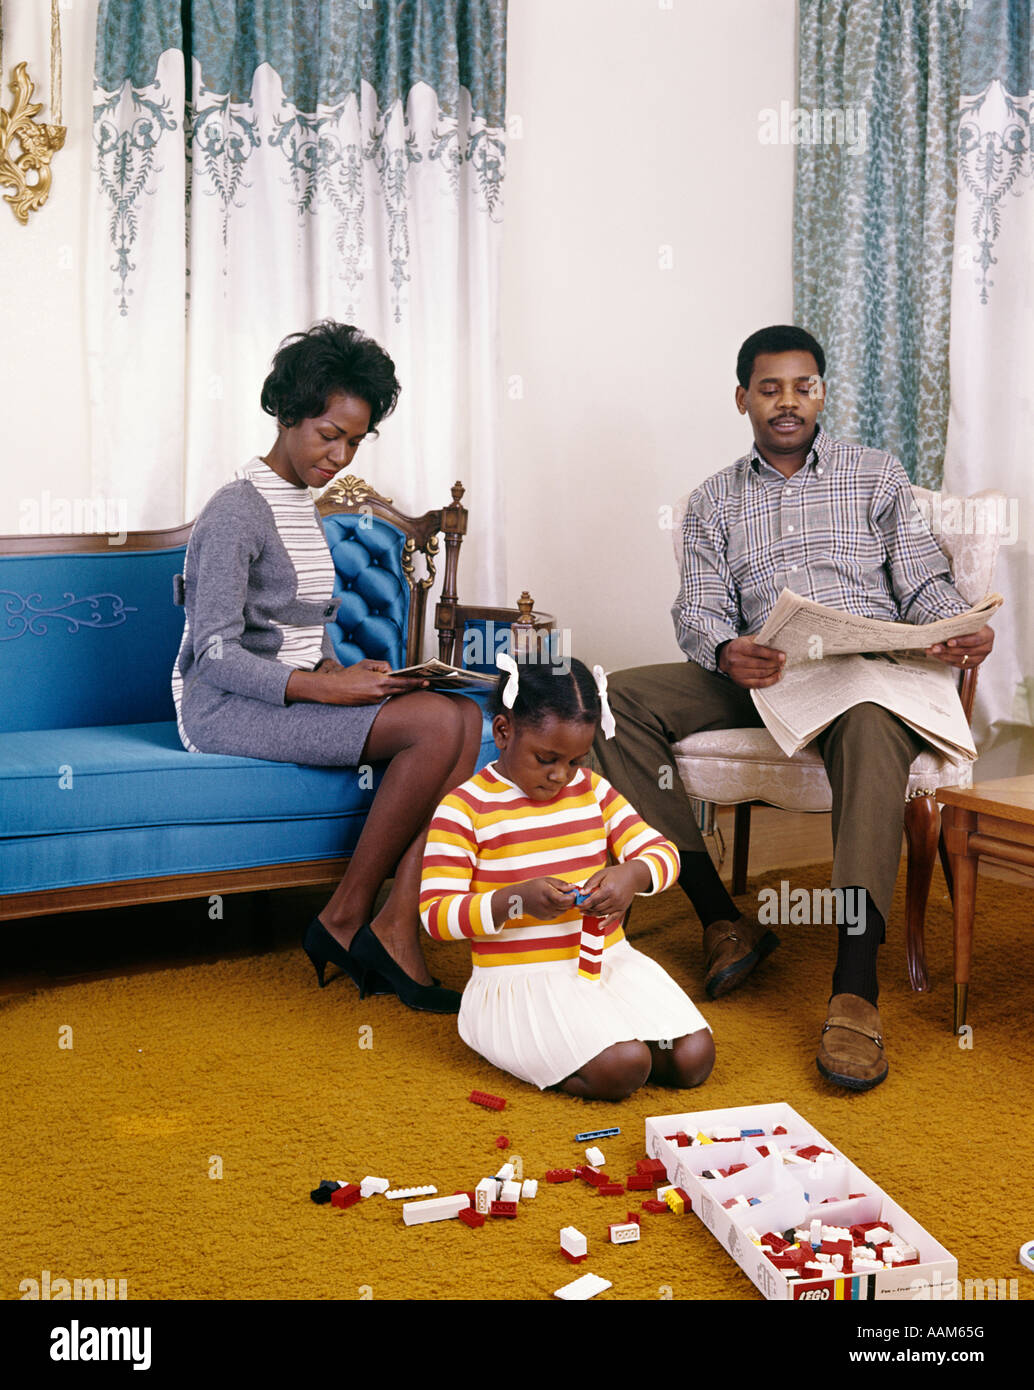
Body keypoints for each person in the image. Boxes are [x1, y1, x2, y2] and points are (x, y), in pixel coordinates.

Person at [594, 324, 994, 1091]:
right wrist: (722, 651)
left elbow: (920, 580)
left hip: (865, 669)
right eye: (769, 388)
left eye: (802, 386)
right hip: (767, 671)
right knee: (613, 699)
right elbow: (700, 608)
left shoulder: (878, 477)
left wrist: (954, 627)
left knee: (874, 722)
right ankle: (719, 915)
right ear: (742, 397)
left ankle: (854, 986)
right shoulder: (714, 498)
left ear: (821, 392)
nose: (787, 402)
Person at [172, 321, 484, 1013]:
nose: (339, 455)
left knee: (461, 712)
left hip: (287, 695)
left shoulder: (298, 505)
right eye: (327, 434)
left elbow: (299, 632)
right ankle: (350, 920)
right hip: (223, 708)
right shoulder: (235, 511)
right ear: (286, 415)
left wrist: (358, 671)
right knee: (438, 726)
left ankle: (392, 924)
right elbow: (213, 652)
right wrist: (327, 688)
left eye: (353, 440)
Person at [419, 653, 715, 1100]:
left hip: (607, 965)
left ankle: (604, 1039)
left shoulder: (592, 791)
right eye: (546, 758)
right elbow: (436, 916)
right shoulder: (464, 809)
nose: (561, 776)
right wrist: (512, 901)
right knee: (625, 1066)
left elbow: (663, 853)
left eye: (576, 760)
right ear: (503, 731)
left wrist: (630, 876)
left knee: (694, 1058)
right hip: (521, 982)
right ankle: (548, 1049)